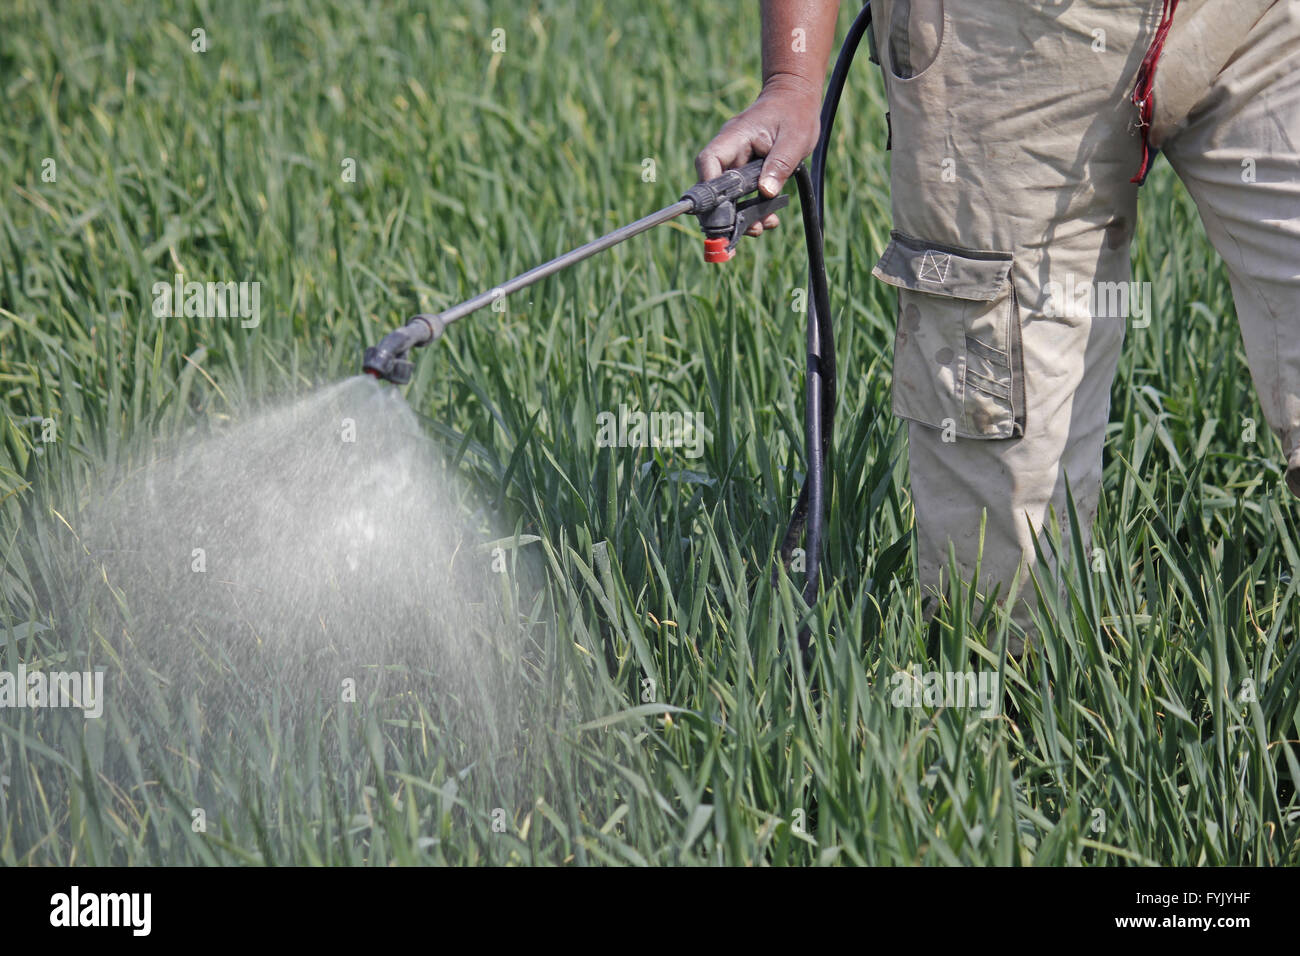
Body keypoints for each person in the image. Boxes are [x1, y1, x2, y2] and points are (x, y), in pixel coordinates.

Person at [696, 0, 1300, 653]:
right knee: (1003, 591)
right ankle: (1018, 734)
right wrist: (791, 80)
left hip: (1252, 20)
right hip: (993, 50)